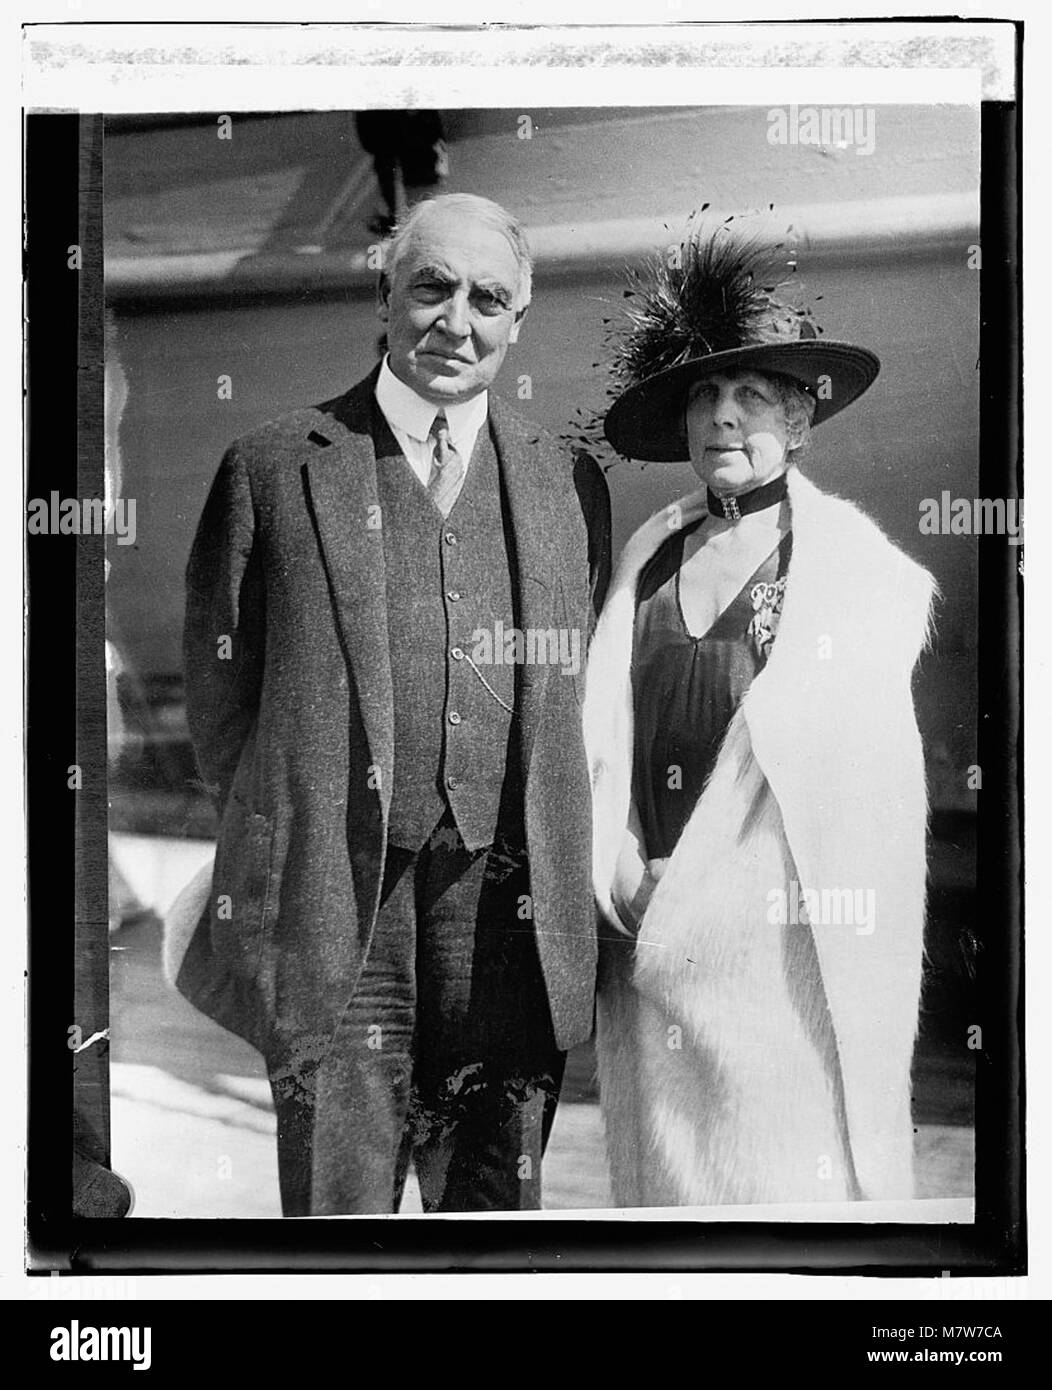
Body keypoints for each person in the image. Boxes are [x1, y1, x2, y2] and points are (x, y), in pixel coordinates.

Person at [169, 193, 611, 1215]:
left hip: (506, 908)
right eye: (432, 286)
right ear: (384, 293)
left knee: (492, 1218)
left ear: (516, 323)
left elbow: (569, 684)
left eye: (487, 299)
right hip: (337, 909)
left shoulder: (564, 479)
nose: (457, 320)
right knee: (336, 1214)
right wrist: (296, 830)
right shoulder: (275, 465)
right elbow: (219, 700)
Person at [583, 217, 936, 1208]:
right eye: (703, 395)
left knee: (777, 1191)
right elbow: (600, 736)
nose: (722, 418)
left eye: (749, 396)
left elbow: (854, 808)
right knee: (665, 1200)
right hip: (642, 934)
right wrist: (610, 848)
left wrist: (713, 896)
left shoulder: (849, 575)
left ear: (799, 420)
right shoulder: (647, 555)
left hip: (776, 956)